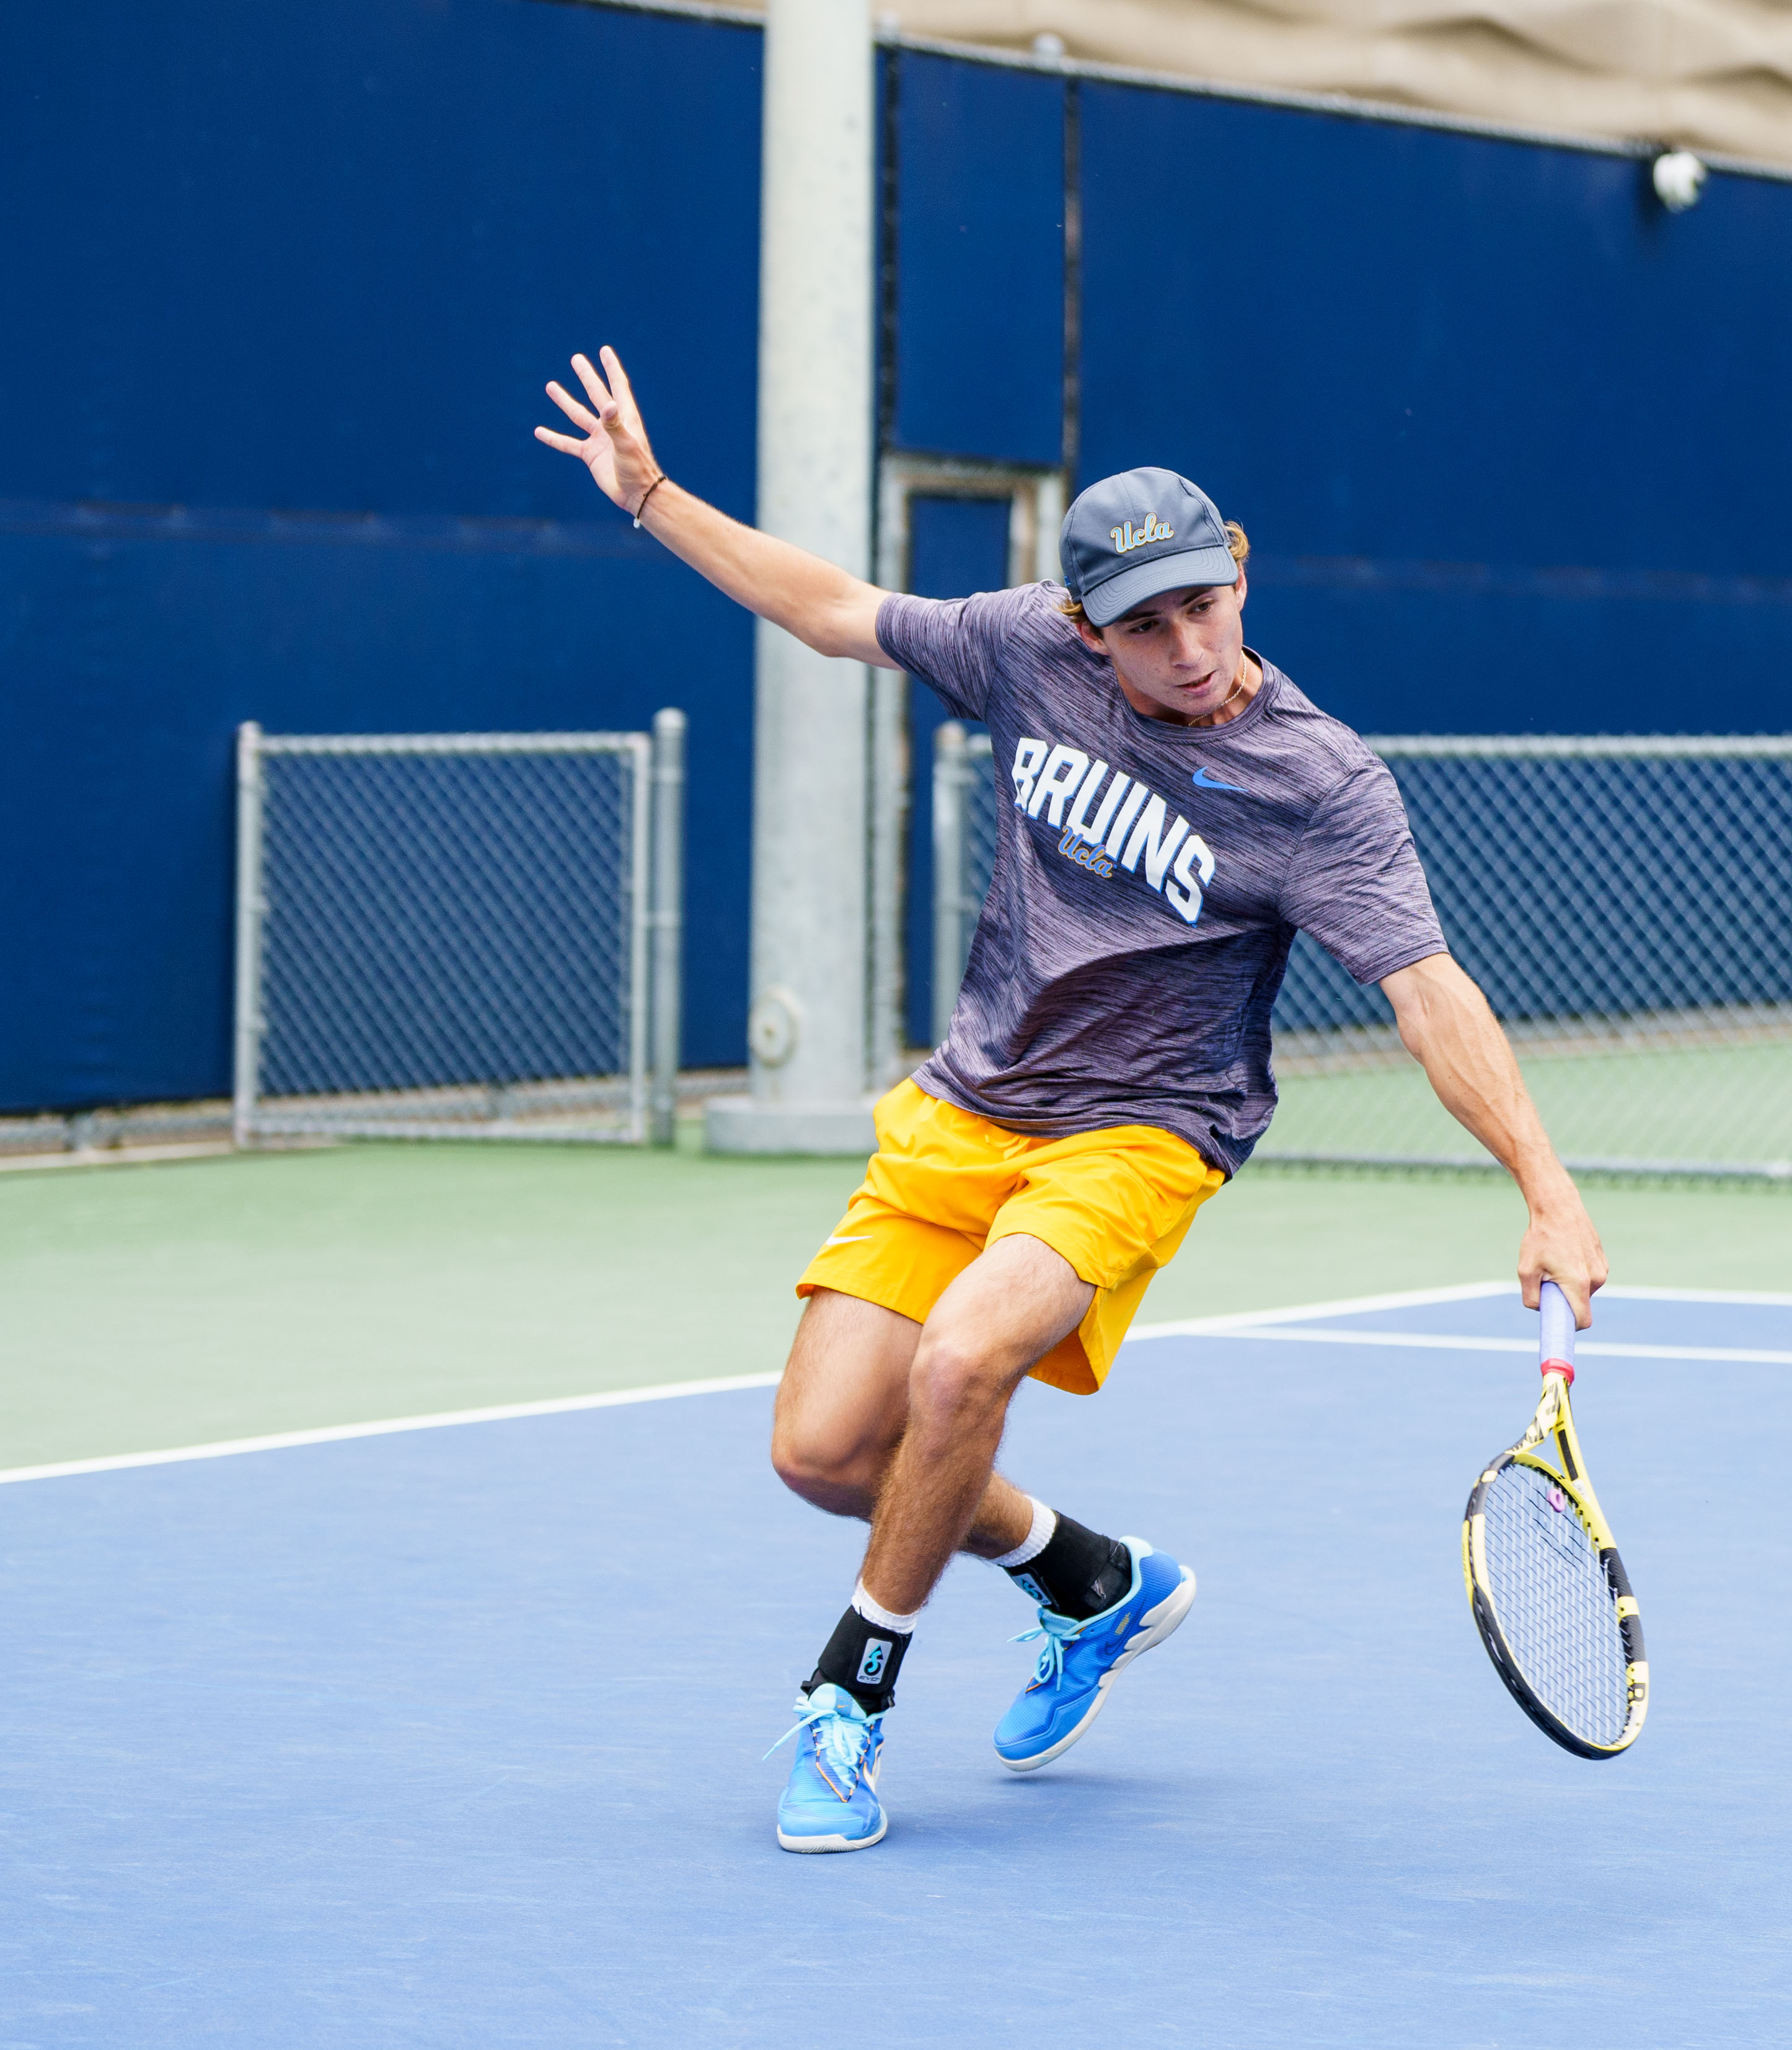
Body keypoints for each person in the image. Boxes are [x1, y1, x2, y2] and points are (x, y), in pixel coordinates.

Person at [536, 347, 1607, 1853]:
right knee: (824, 1452)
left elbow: (1427, 987)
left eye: (1204, 603)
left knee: (963, 1358)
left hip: (1144, 1130)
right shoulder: (1025, 648)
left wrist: (1547, 1189)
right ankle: (1089, 1578)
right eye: (1145, 624)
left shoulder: (1319, 782)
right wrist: (652, 496)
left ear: (1242, 570)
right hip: (974, 1098)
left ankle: (848, 1699)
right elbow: (833, 607)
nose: (1186, 645)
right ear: (1087, 626)